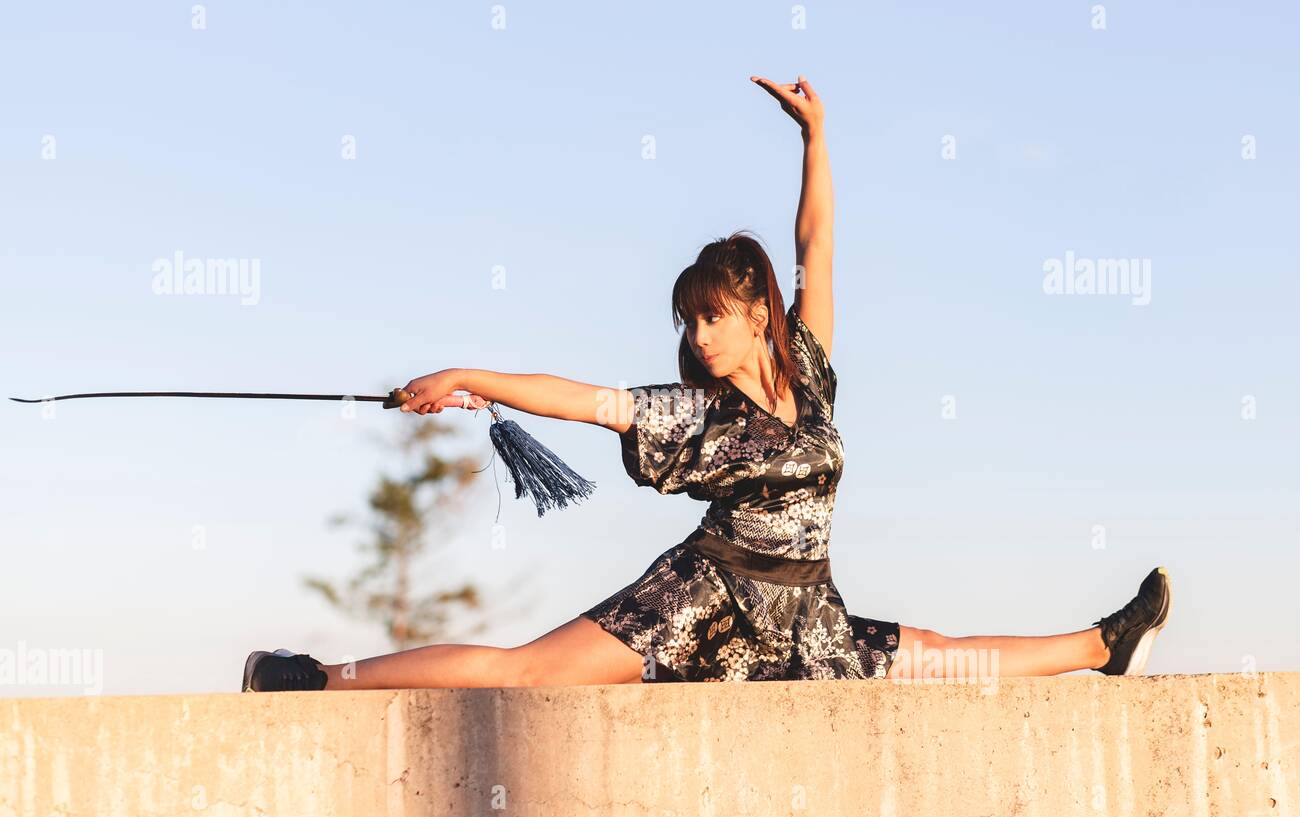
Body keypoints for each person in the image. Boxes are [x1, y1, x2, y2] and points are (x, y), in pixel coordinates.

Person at [241, 76, 1172, 693]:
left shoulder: (807, 371)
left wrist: (816, 139)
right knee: (527, 674)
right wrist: (469, 376)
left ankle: (1104, 645)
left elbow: (816, 249)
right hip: (704, 595)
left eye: (712, 315)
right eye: (688, 318)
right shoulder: (694, 413)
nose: (698, 332)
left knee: (932, 656)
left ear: (757, 312)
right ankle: (317, 677)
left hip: (807, 608)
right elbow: (576, 397)